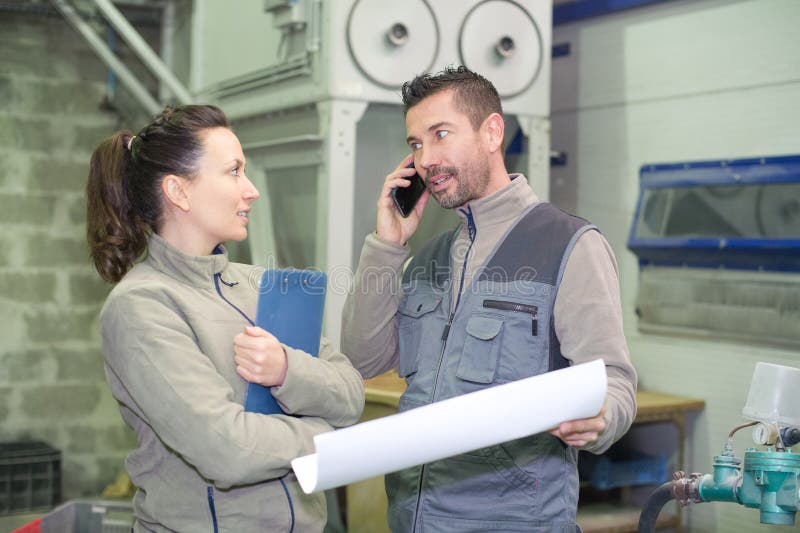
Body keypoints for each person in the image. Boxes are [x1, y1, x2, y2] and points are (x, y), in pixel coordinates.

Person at [341, 66, 637, 532]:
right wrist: (386, 246)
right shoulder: (429, 257)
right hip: (412, 519)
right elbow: (362, 358)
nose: (426, 159)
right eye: (416, 144)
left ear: (492, 132)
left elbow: (615, 383)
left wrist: (601, 416)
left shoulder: (569, 244)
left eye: (441, 135)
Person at [86, 104, 365, 532]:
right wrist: (334, 438)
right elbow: (228, 451)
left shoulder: (266, 287)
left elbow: (351, 395)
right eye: (234, 171)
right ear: (179, 192)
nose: (251, 189)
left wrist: (288, 370)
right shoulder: (141, 306)